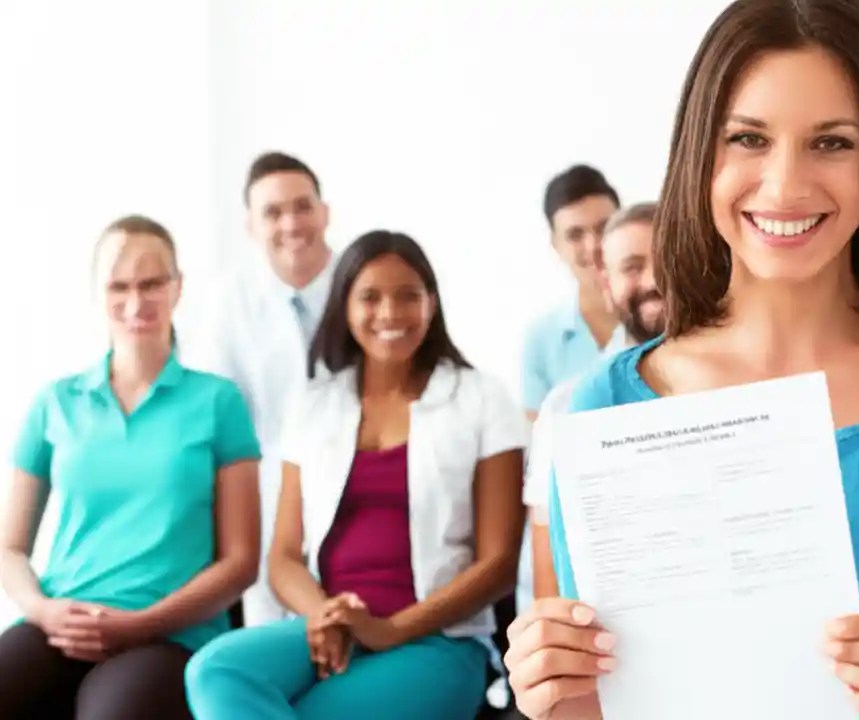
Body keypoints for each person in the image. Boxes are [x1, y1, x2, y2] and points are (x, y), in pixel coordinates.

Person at [504, 1, 859, 719]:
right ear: (702, 155)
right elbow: (605, 701)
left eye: (832, 143)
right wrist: (554, 693)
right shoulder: (605, 404)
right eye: (748, 139)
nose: (785, 185)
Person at [185, 231, 526, 720]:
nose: (390, 313)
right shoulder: (315, 405)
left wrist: (390, 629)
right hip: (331, 630)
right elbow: (283, 557)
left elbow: (498, 564)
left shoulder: (481, 398)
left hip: (436, 642)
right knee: (214, 670)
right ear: (344, 305)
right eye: (370, 297)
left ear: (432, 303)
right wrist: (324, 614)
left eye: (409, 295)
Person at [0, 215, 261, 719]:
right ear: (97, 293)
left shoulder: (218, 402)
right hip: (61, 623)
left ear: (177, 288)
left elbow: (240, 562)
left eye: (151, 284)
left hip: (169, 632)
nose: (136, 302)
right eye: (119, 286)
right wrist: (44, 611)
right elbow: (9, 548)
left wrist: (139, 624)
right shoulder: (54, 403)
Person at [184, 151, 338, 626]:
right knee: (271, 635)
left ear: (324, 212)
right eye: (272, 212)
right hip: (266, 502)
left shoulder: (364, 283)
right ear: (251, 226)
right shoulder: (227, 302)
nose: (291, 223)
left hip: (356, 488)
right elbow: (216, 418)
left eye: (302, 206)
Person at [523, 202, 665, 602]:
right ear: (606, 285)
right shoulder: (567, 405)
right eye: (632, 267)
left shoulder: (742, 384)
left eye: (668, 259)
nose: (654, 279)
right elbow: (548, 547)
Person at [521, 164, 622, 422]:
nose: (594, 246)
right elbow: (540, 446)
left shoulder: (662, 314)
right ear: (556, 245)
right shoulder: (540, 341)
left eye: (604, 227)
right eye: (575, 235)